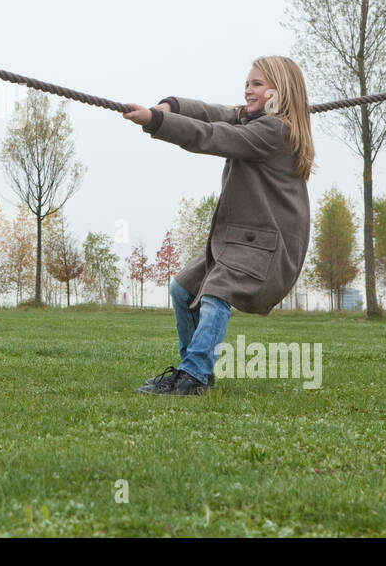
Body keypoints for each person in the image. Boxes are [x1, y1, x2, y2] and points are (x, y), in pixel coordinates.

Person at [123, 57, 314, 395]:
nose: (248, 89)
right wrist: (172, 106)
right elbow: (212, 114)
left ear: (280, 91)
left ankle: (193, 376)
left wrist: (157, 122)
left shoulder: (274, 131)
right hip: (238, 239)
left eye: (257, 84)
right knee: (183, 290)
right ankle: (194, 371)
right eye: (247, 82)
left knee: (215, 293)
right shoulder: (251, 119)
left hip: (270, 245)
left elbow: (212, 136)